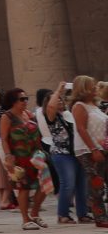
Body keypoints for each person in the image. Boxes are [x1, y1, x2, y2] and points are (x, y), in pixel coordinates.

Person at [0, 87, 46, 229]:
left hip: (35, 155)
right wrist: (8, 156)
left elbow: (37, 135)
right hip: (19, 156)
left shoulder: (28, 114)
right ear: (13, 101)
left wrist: (42, 152)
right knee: (23, 187)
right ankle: (25, 219)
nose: (25, 101)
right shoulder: (7, 117)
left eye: (26, 99)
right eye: (22, 99)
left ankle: (35, 213)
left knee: (45, 184)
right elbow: (4, 138)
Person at [40, 87, 83, 224]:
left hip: (77, 152)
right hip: (61, 153)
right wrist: (58, 90)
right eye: (55, 99)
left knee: (82, 184)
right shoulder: (51, 116)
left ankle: (83, 214)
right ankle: (63, 214)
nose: (59, 100)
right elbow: (51, 107)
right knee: (68, 184)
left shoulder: (68, 114)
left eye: (60, 98)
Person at [68, 76, 106, 228]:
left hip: (102, 147)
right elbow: (81, 129)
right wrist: (93, 149)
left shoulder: (95, 105)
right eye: (92, 85)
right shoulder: (79, 106)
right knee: (96, 182)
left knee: (100, 181)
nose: (96, 87)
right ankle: (100, 217)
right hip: (88, 150)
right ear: (84, 88)